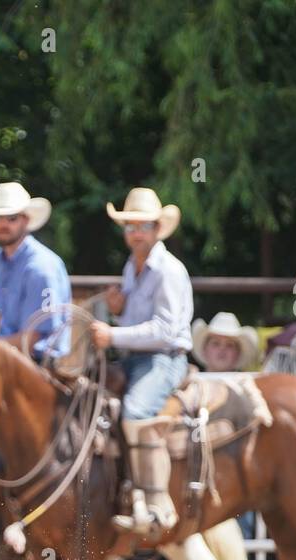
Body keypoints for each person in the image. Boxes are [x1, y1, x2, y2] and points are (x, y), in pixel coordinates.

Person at [89, 187, 192, 538]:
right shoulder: (132, 268)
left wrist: (113, 335)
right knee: (89, 396)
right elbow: (136, 324)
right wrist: (119, 312)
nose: (135, 232)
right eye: (129, 226)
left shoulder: (168, 271)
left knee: (135, 411)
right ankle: (115, 488)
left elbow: (165, 331)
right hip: (135, 359)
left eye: (142, 226)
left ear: (157, 228)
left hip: (165, 360)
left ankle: (154, 501)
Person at [0, 182, 72, 361]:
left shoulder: (41, 267)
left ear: (26, 219)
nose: (2, 224)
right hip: (5, 357)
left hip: (38, 365)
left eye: (11, 217)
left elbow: (34, 339)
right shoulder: (0, 258)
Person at [191, 312, 260, 373]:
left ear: (238, 353)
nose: (222, 349)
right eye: (216, 343)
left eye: (230, 345)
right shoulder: (189, 384)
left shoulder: (247, 385)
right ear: (204, 349)